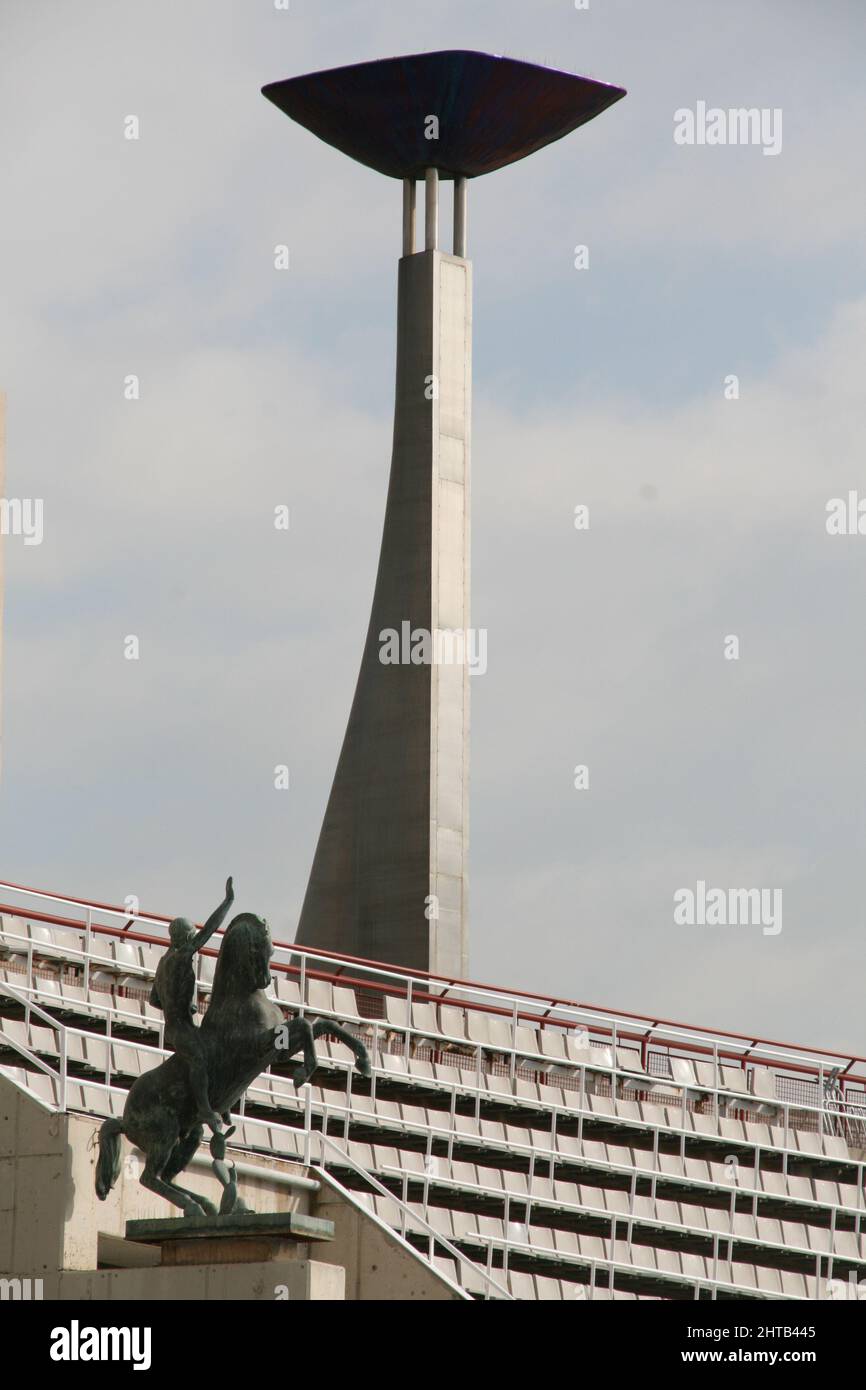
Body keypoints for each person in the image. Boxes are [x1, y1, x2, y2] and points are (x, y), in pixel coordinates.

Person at [150, 876, 234, 1134]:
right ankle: (204, 1108)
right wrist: (228, 902)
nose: (194, 939)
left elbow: (154, 999)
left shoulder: (163, 961)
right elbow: (208, 931)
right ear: (185, 938)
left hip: (176, 1025)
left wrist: (178, 1001)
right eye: (191, 936)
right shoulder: (181, 955)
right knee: (200, 1059)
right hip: (182, 1028)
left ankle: (221, 1102)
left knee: (216, 1049)